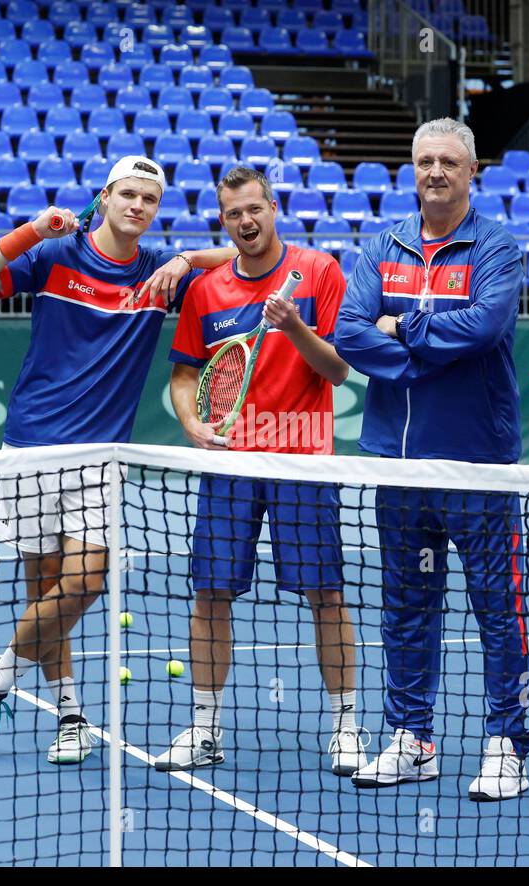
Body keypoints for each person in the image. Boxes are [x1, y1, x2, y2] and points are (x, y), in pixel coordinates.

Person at [0, 157, 235, 764]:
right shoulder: (56, 255)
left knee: (83, 584)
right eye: (128, 194)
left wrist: (185, 259)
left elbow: (236, 258)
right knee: (44, 589)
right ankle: (71, 714)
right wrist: (30, 232)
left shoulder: (160, 273)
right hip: (31, 448)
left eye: (150, 200)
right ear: (104, 198)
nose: (138, 206)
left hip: (100, 460)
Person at [335, 118, 529, 799]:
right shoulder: (382, 246)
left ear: (472, 172)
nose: (435, 172)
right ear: (412, 170)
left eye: (449, 161)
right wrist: (421, 354)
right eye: (424, 161)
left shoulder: (499, 249)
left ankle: (507, 742)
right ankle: (411, 739)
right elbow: (349, 334)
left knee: (496, 606)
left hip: (476, 463)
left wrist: (405, 330)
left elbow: (483, 328)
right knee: (406, 605)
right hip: (398, 464)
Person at [153, 166, 365, 776]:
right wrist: (192, 425)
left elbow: (339, 371)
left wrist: (293, 325)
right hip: (230, 462)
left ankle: (346, 728)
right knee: (210, 593)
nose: (246, 222)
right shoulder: (206, 291)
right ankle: (205, 728)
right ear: (224, 221)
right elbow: (186, 374)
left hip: (300, 458)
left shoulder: (318, 271)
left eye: (255, 209)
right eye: (233, 215)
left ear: (273, 208)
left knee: (326, 594)